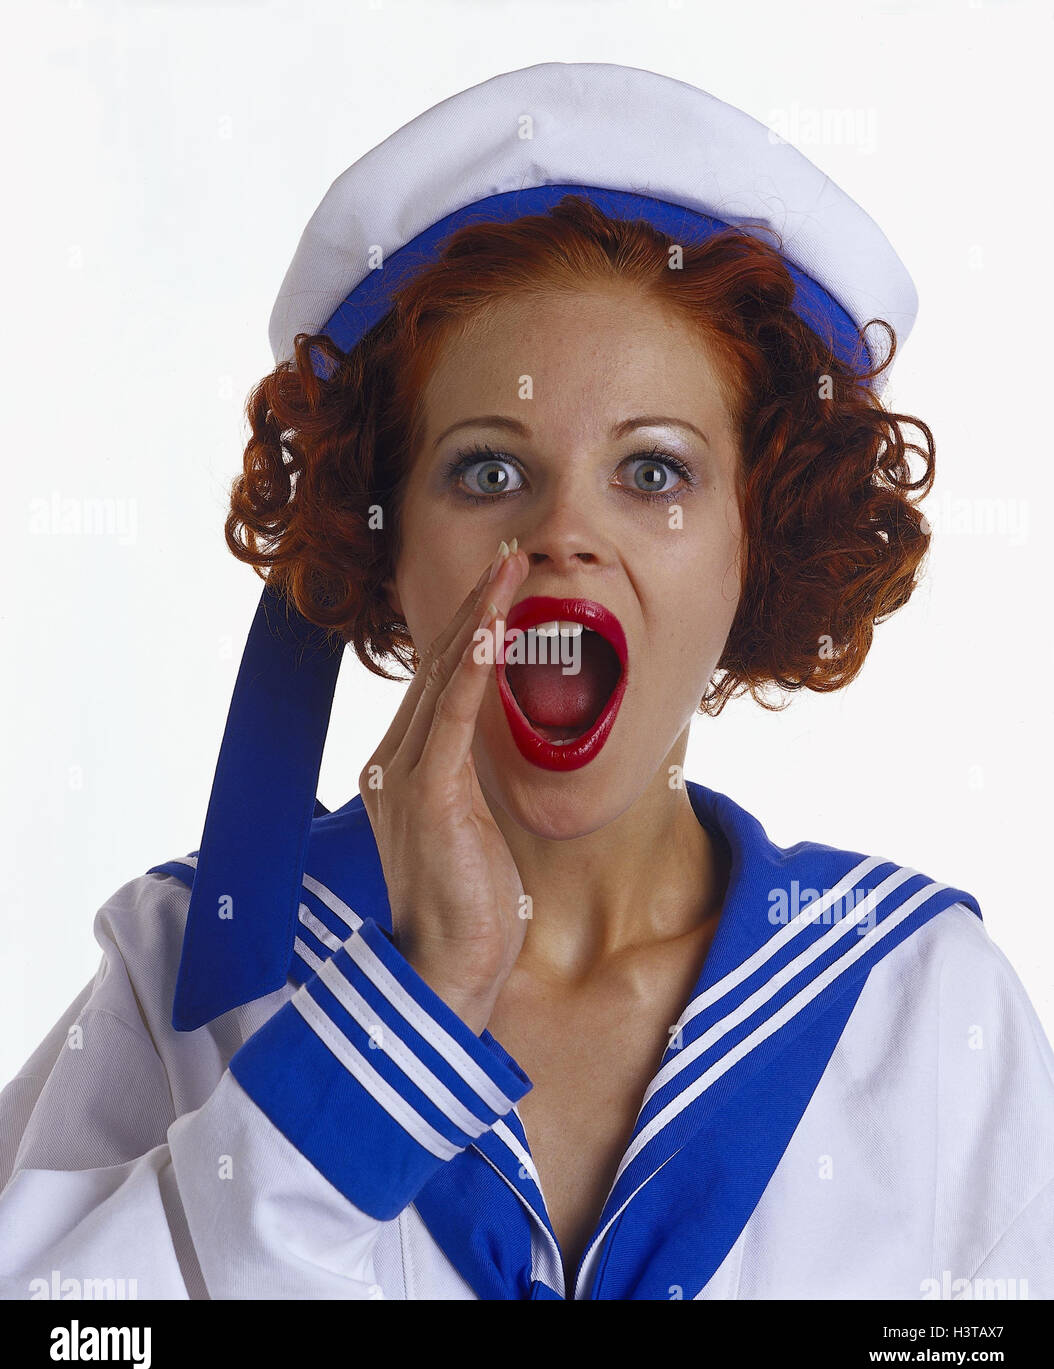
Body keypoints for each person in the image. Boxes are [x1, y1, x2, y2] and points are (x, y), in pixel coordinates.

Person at [2, 61, 1052, 1302]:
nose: (564, 533)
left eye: (653, 473)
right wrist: (392, 1025)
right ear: (386, 546)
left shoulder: (919, 1009)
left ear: (751, 544)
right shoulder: (190, 972)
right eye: (488, 474)